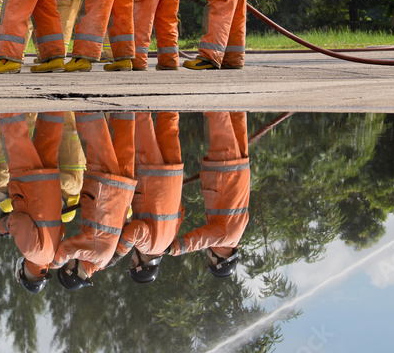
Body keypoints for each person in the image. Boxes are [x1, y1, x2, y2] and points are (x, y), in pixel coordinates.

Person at [52, 112, 136, 289]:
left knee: (123, 134)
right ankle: (85, 101)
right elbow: (65, 250)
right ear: (71, 270)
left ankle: (126, 102)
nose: (70, 260)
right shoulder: (96, 257)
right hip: (105, 188)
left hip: (122, 189)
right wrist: (50, 263)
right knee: (95, 135)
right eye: (68, 264)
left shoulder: (102, 259)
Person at [0, 112, 66, 293]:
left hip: (49, 183)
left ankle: (56, 101)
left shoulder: (52, 254)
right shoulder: (32, 253)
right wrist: (1, 228)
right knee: (14, 136)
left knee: (49, 134)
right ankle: (8, 102)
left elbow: (60, 229)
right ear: (23, 273)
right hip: (30, 184)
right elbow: (19, 221)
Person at [167, 112, 249, 279]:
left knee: (236, 117)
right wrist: (175, 249)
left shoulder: (236, 233)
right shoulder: (224, 239)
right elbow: (201, 239)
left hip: (238, 169)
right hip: (224, 172)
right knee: (219, 119)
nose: (208, 256)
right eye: (211, 260)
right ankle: (215, 94)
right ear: (220, 260)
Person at [114, 112, 185, 283]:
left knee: (169, 124)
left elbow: (181, 211)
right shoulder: (148, 247)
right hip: (150, 177)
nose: (132, 257)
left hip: (173, 175)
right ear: (141, 264)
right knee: (141, 122)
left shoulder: (168, 239)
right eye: (133, 262)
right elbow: (135, 231)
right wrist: (118, 253)